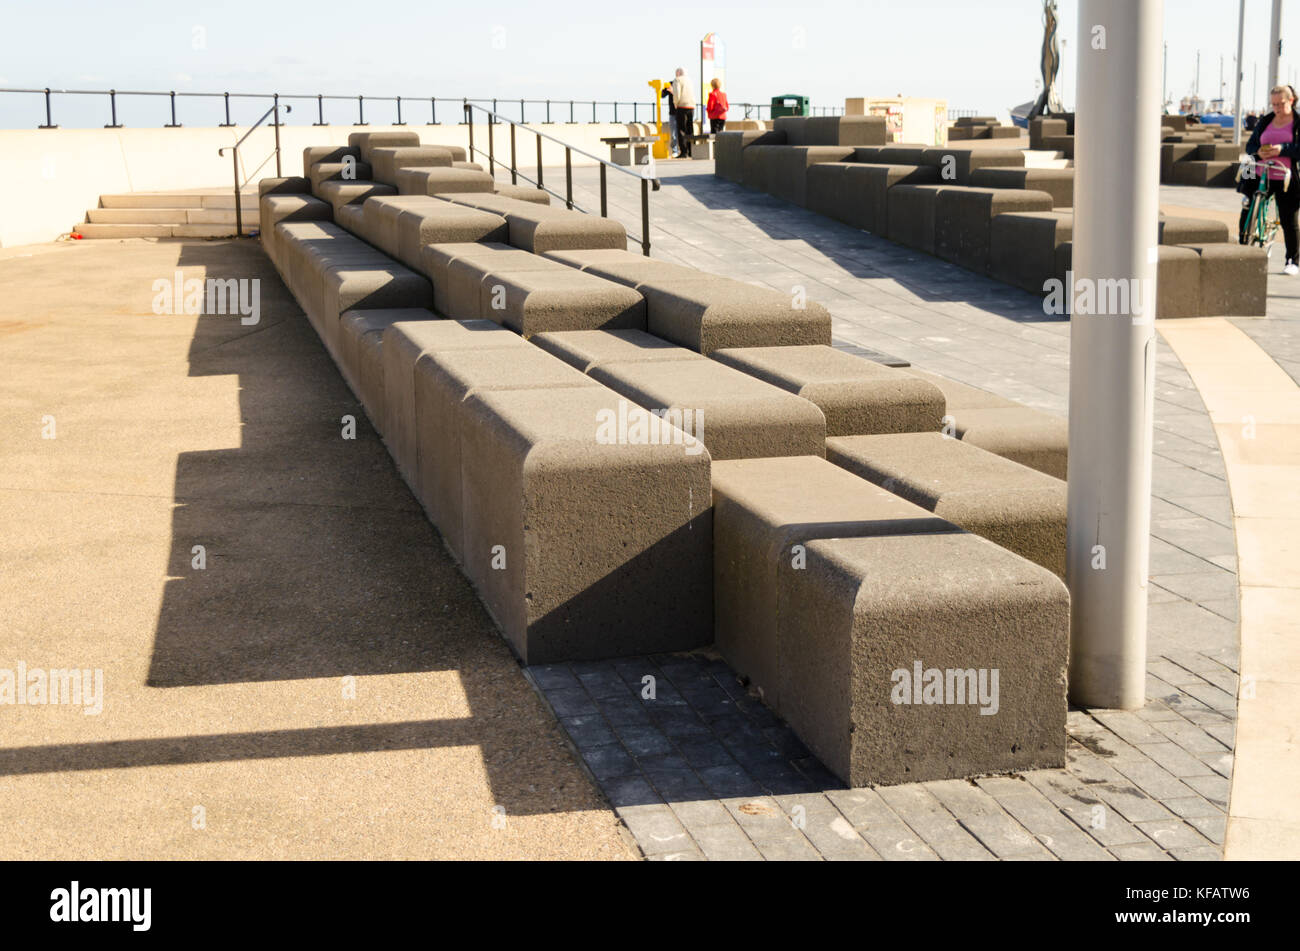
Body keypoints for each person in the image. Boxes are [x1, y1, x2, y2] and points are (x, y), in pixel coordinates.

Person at [1242, 84, 1300, 275]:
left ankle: (1292, 260)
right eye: (1273, 104)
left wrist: (1283, 149)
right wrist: (1257, 151)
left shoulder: (1297, 121)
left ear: (1291, 101)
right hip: (1260, 170)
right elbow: (1250, 145)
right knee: (1247, 204)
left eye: (1280, 104)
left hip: (1285, 175)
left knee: (1288, 218)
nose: (1276, 108)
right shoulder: (1266, 120)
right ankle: (1243, 250)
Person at [671, 68, 696, 158]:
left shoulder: (677, 80)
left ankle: (684, 152)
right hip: (692, 106)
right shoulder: (690, 80)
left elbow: (677, 94)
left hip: (682, 106)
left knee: (681, 129)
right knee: (690, 129)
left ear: (678, 73)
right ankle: (691, 151)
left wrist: (675, 104)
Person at [659, 82, 679, 157]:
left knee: (681, 133)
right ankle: (675, 150)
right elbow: (662, 95)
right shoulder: (670, 84)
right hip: (672, 113)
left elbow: (683, 97)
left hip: (682, 112)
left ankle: (685, 150)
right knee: (673, 133)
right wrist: (662, 88)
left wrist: (673, 92)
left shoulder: (684, 85)